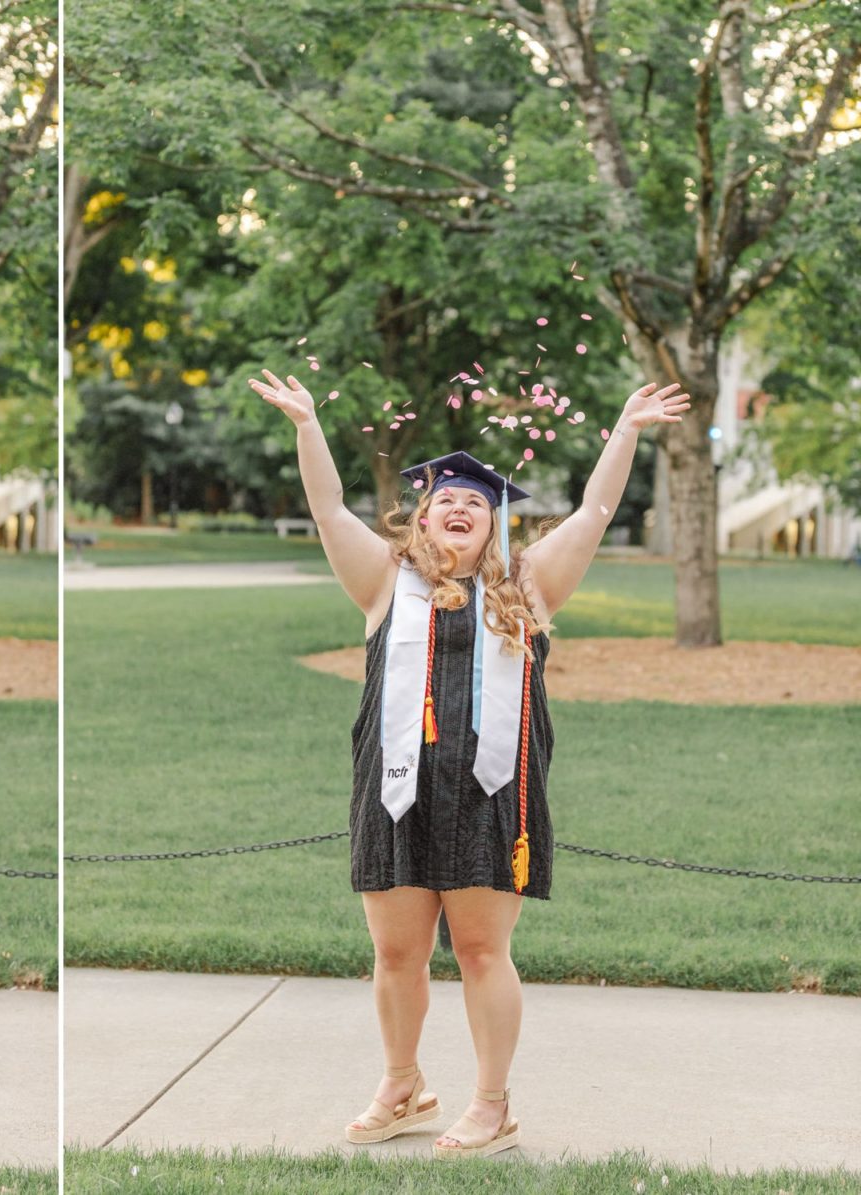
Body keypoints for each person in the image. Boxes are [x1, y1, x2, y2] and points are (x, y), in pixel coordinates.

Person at [248, 370, 689, 1158]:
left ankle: (493, 1104)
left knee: (484, 951)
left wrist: (625, 428)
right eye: (443, 500)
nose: (458, 507)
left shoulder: (529, 588)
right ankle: (403, 1084)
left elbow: (593, 511)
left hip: (490, 796)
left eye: (476, 503)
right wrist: (308, 424)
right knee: (395, 953)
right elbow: (326, 509)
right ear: (420, 519)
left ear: (497, 528)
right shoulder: (385, 583)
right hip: (395, 794)